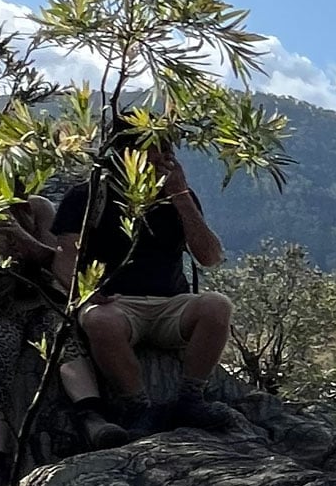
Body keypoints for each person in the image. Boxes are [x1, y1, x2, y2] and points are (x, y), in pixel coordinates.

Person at [0, 195, 125, 486]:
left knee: (63, 340)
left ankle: (92, 417)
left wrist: (16, 234)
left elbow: (49, 256)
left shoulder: (38, 208)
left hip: (38, 298)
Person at [51, 131, 234, 430]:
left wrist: (181, 197)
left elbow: (210, 257)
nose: (163, 156)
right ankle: (136, 406)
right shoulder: (87, 195)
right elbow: (64, 254)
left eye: (167, 148)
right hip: (116, 304)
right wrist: (83, 290)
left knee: (217, 307)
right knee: (100, 321)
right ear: (126, 153)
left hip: (172, 303)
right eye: (153, 148)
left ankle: (190, 399)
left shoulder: (180, 198)